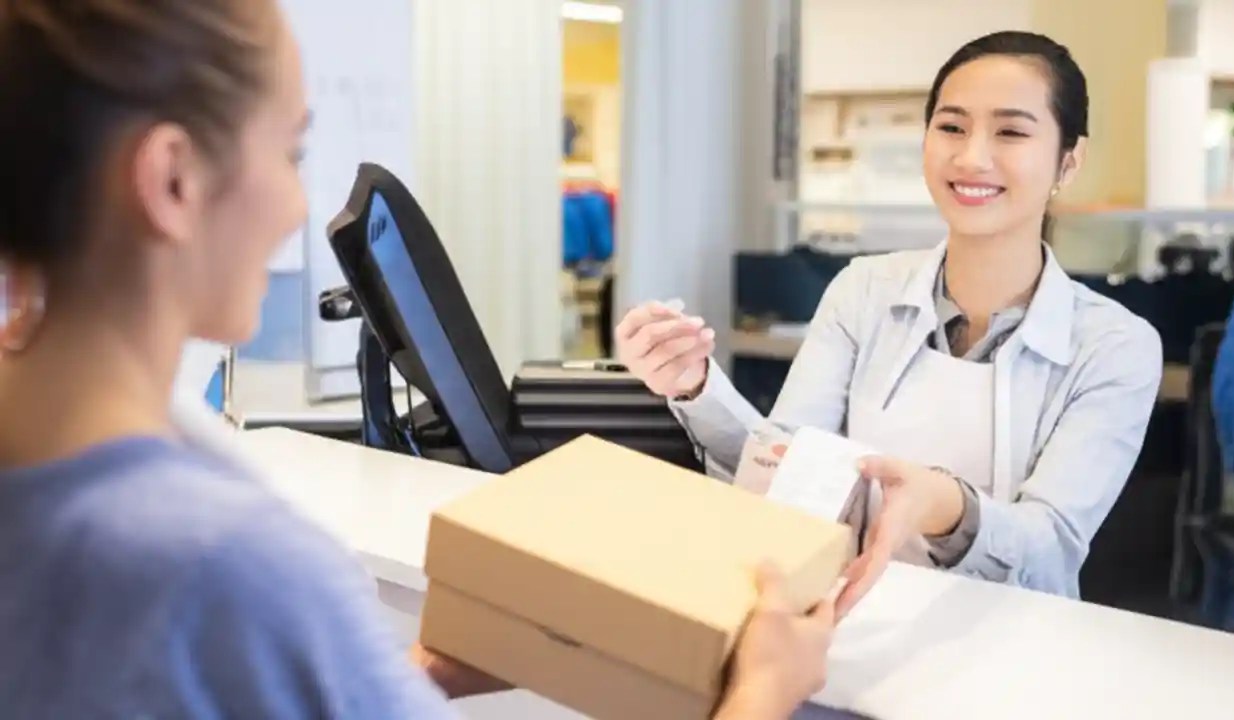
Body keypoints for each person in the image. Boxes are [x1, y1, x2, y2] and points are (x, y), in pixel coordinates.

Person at [0, 1, 835, 718]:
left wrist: (413, 674)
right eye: (290, 153)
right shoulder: (232, 568)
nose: (299, 203)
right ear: (174, 179)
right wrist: (763, 688)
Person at [617, 31, 1163, 612]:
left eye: (1010, 131)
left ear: (1068, 161)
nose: (972, 156)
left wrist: (950, 506)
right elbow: (785, 465)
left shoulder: (1115, 346)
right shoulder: (864, 290)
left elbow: (1052, 546)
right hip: (844, 623)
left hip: (1013, 647)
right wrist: (694, 387)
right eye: (951, 127)